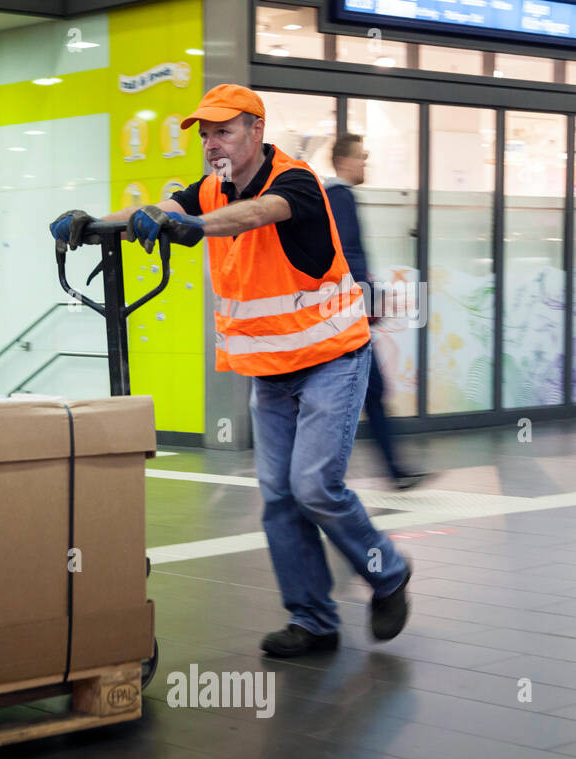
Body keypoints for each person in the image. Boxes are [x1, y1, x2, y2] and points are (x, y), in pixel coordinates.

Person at [50, 84, 412, 657]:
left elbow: (257, 214)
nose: (211, 144)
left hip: (332, 360)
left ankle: (386, 571)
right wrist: (96, 222)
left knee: (314, 485)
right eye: (205, 135)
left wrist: (198, 226)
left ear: (256, 132)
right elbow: (162, 210)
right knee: (277, 495)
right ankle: (314, 619)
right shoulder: (211, 189)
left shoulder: (294, 182)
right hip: (270, 369)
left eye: (223, 131)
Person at [324, 133, 428, 491]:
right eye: (361, 156)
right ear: (343, 160)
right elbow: (348, 255)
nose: (365, 162)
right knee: (367, 392)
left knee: (369, 392)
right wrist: (368, 302)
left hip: (345, 312)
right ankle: (389, 471)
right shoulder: (339, 196)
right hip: (349, 316)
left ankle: (395, 470)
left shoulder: (336, 196)